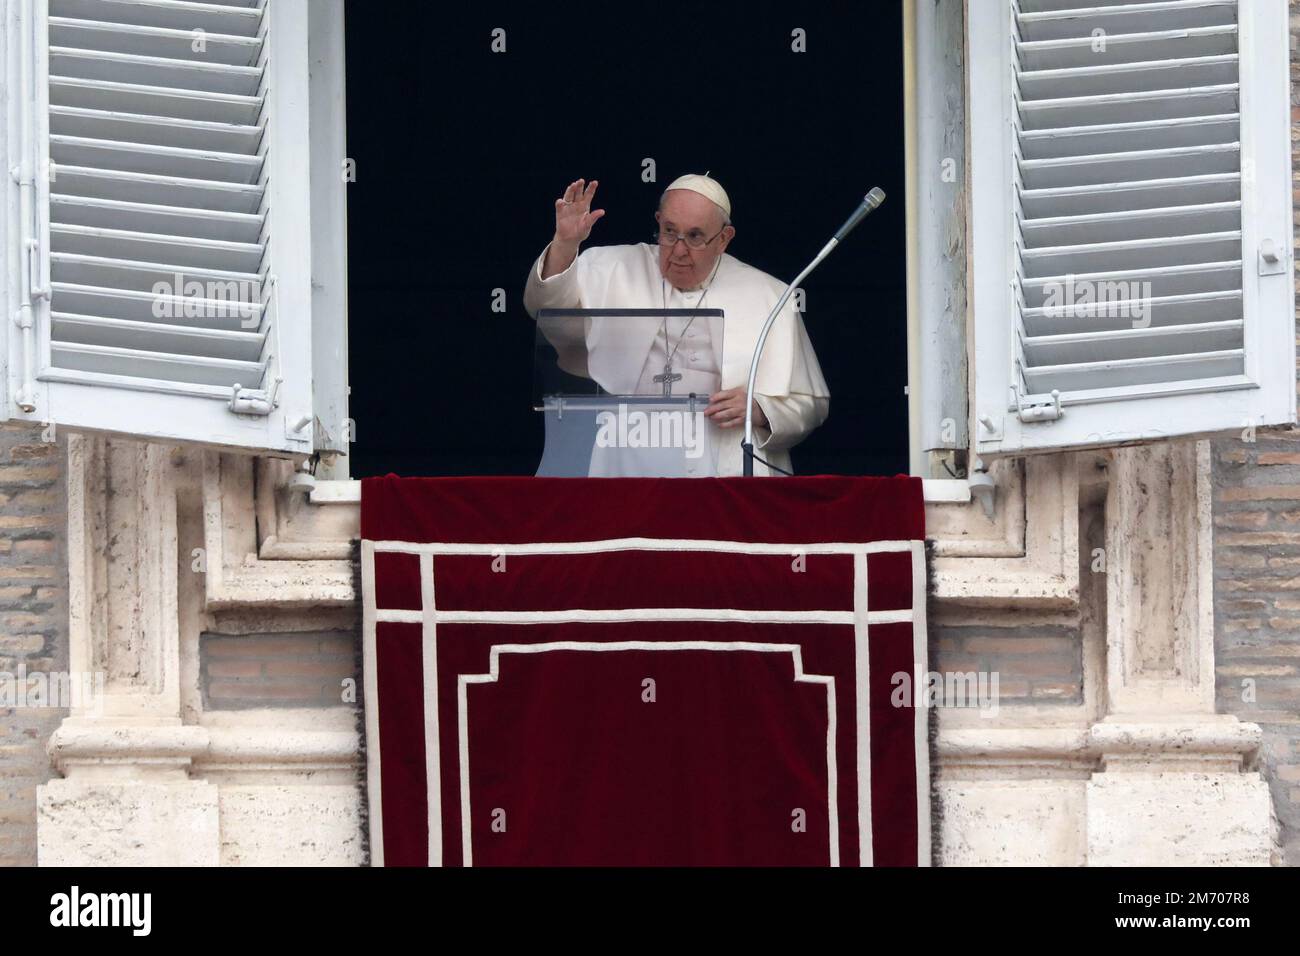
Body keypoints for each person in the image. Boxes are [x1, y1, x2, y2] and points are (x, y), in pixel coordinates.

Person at [523, 173, 830, 477]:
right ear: (658, 221)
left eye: (695, 236)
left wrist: (761, 410)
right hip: (629, 457)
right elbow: (548, 313)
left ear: (724, 238)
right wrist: (564, 245)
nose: (679, 250)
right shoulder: (613, 266)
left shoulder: (769, 295)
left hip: (726, 462)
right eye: (670, 232)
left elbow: (809, 403)